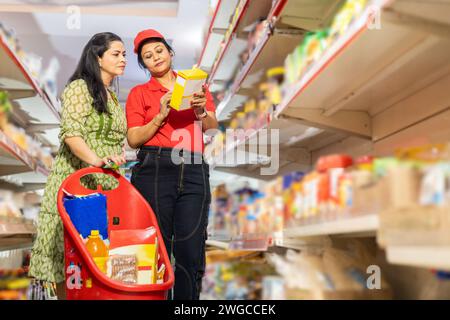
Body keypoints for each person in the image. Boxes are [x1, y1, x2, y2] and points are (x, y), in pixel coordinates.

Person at [28, 32, 128, 299]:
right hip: (75, 182)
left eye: (125, 54)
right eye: (116, 54)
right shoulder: (78, 88)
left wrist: (117, 158)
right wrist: (97, 160)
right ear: (97, 57)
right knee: (69, 257)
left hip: (104, 184)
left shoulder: (113, 97)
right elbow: (72, 135)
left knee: (96, 253)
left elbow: (114, 140)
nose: (123, 59)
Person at [126, 29, 218, 300]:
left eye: (159, 51)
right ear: (144, 65)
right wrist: (160, 116)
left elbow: (211, 129)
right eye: (147, 56)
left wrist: (201, 110)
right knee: (158, 248)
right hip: (155, 167)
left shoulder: (197, 86)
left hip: (193, 168)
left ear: (170, 52)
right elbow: (133, 139)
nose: (155, 57)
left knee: (191, 249)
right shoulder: (139, 93)